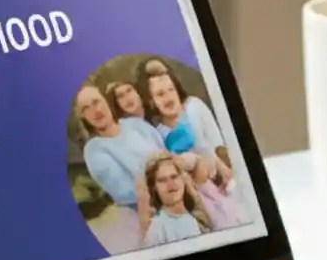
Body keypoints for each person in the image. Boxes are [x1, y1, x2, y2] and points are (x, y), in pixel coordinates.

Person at [137, 58, 234, 185]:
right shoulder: (157, 132)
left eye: (171, 90)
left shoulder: (195, 106)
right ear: (151, 101)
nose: (168, 97)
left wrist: (222, 168)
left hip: (223, 174)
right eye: (160, 94)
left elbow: (218, 144)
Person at [74, 84, 165, 215]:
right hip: (144, 212)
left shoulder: (136, 125)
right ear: (83, 117)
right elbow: (125, 192)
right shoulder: (94, 150)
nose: (95, 110)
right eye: (86, 108)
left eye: (96, 102)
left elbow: (166, 154)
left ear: (106, 101)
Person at [142, 151, 211, 246]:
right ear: (154, 188)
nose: (171, 184)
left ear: (182, 179)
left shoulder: (199, 214)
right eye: (162, 180)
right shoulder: (156, 232)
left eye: (174, 177)